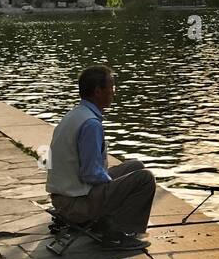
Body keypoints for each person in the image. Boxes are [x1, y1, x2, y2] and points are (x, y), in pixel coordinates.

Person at [46, 65, 155, 249]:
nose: (114, 93)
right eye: (112, 88)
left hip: (65, 195)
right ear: (98, 91)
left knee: (135, 166)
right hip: (75, 204)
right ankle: (116, 233)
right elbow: (90, 174)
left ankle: (112, 224)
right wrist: (113, 185)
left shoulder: (76, 114)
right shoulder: (90, 124)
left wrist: (115, 182)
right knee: (144, 179)